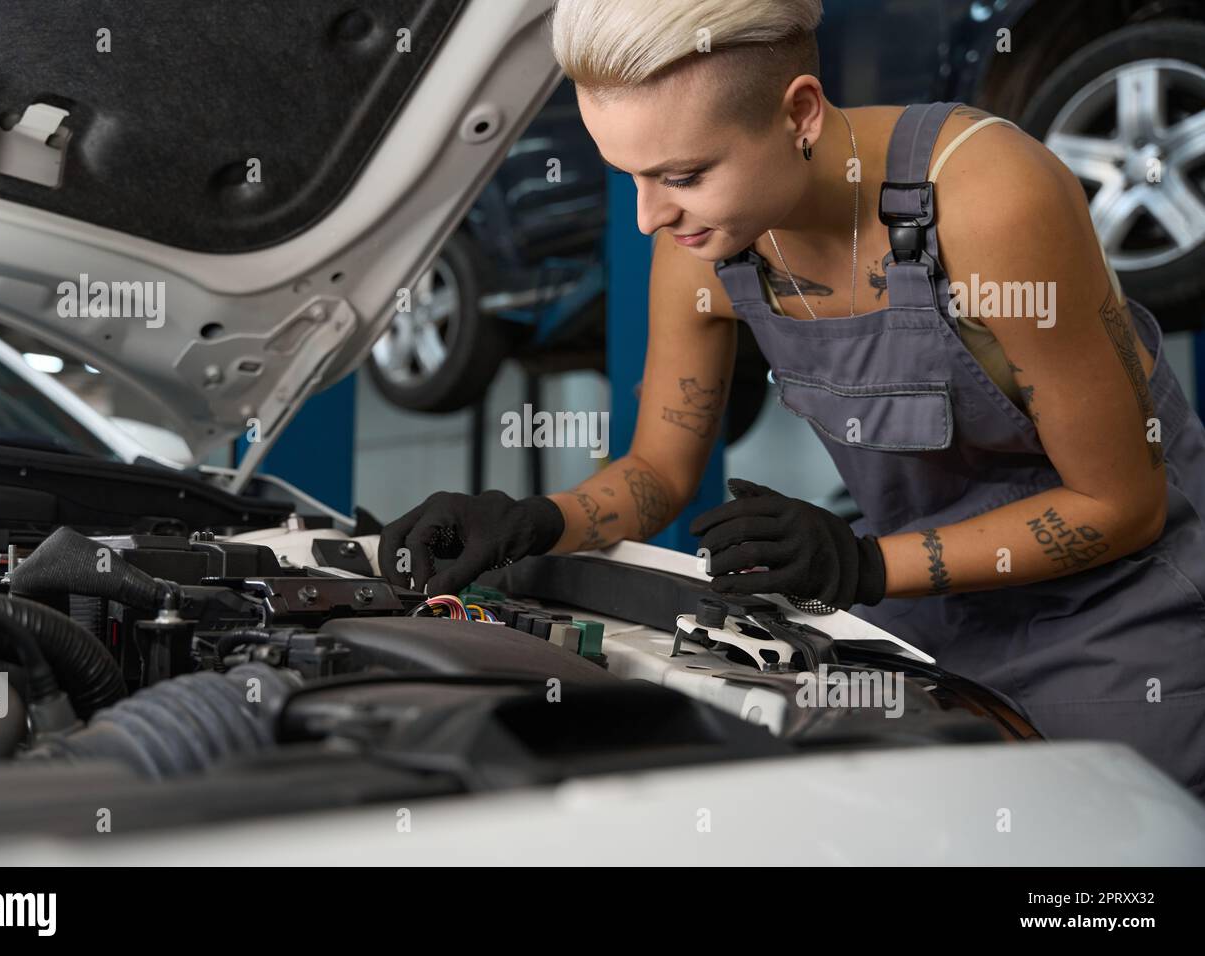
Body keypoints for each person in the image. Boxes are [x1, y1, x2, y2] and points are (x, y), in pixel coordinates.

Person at [378, 0, 1205, 797]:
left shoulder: (990, 201)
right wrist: (532, 522)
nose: (648, 217)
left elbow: (1122, 502)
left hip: (1117, 618)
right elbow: (659, 472)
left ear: (800, 114)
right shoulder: (702, 249)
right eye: (630, 176)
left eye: (683, 175)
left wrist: (862, 562)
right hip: (917, 617)